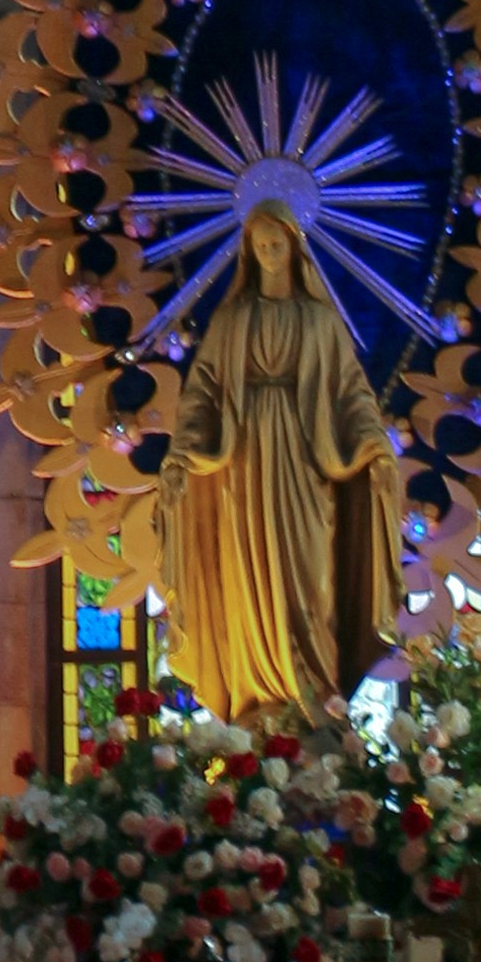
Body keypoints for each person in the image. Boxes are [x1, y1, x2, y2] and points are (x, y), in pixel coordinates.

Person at [160, 199, 400, 721]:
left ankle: (317, 698)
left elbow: (352, 394)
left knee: (312, 581)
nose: (270, 253)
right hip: (244, 465)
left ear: (294, 247)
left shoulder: (319, 320)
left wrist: (374, 448)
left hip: (306, 460)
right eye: (261, 245)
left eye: (277, 244)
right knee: (248, 587)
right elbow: (202, 393)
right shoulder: (231, 320)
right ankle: (257, 705)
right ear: (249, 251)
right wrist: (181, 454)